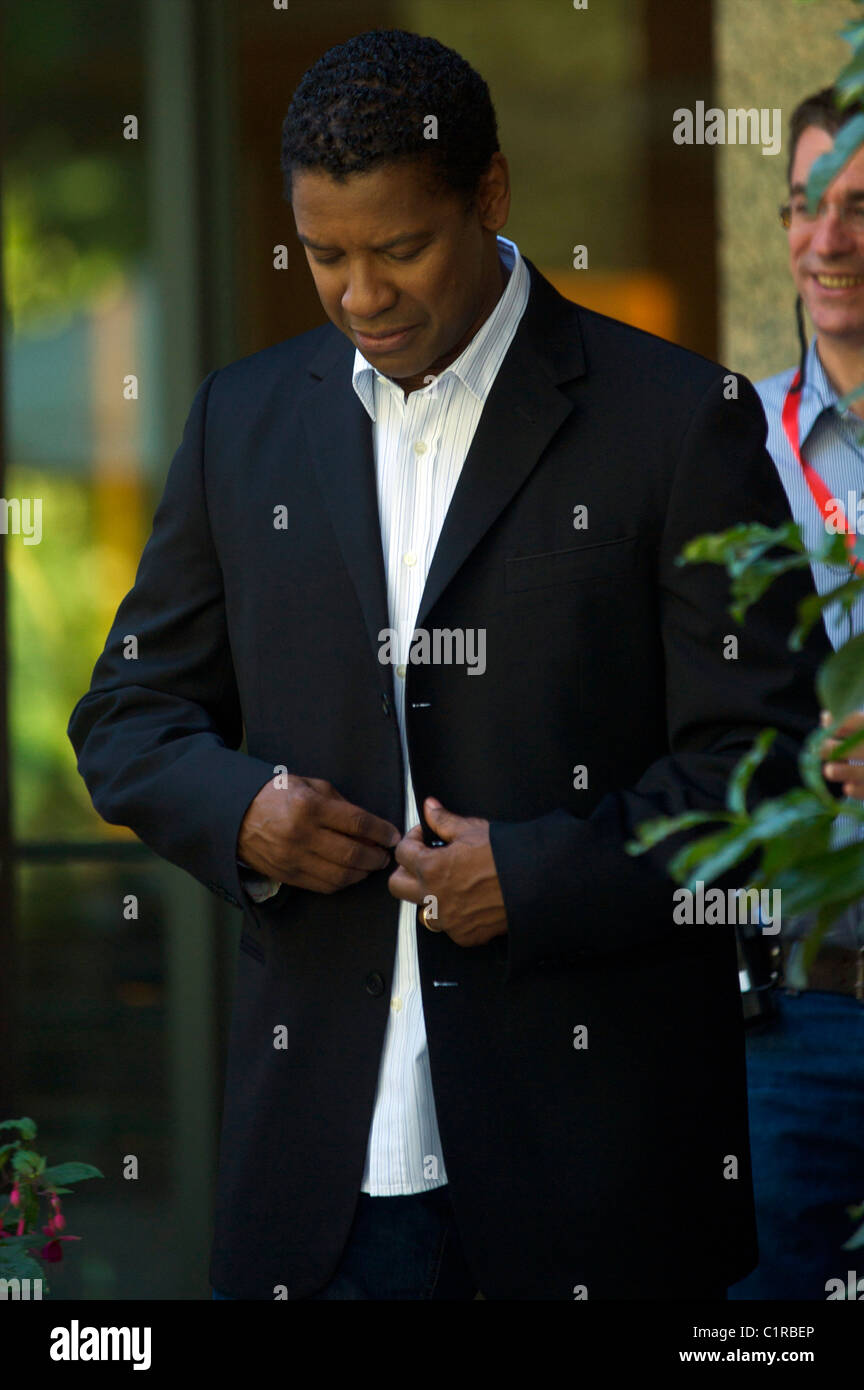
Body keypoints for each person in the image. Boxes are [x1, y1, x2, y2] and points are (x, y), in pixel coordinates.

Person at [68, 29, 828, 1301]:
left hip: (599, 1187)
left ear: (492, 196)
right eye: (325, 256)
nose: (361, 294)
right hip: (315, 1191)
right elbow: (128, 715)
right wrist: (245, 813)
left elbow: (765, 778)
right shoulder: (237, 423)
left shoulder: (680, 421)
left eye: (400, 248)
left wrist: (537, 876)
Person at [728, 86, 864, 1302]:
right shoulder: (723, 447)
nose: (828, 241)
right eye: (804, 208)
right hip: (800, 1012)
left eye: (863, 208)